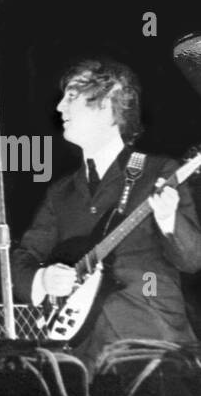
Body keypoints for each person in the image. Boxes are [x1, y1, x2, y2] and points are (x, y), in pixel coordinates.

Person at [12, 57, 201, 360]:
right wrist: (43, 279)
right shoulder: (60, 192)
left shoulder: (159, 170)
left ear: (110, 102)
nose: (60, 107)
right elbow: (24, 257)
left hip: (151, 345)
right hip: (78, 353)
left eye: (72, 95)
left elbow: (192, 259)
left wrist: (168, 219)